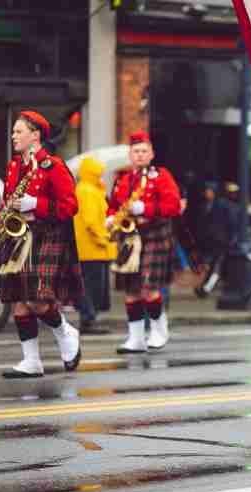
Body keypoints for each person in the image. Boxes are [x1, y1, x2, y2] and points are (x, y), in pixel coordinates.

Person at [0, 110, 83, 378]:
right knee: (18, 300)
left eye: (19, 131)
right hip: (18, 235)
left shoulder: (54, 166)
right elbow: (8, 200)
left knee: (37, 299)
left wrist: (36, 204)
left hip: (46, 234)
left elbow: (71, 206)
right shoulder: (15, 166)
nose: (14, 136)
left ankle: (65, 331)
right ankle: (31, 361)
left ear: (35, 135)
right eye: (14, 131)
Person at [107, 131, 181, 354]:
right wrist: (110, 217)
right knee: (131, 289)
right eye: (135, 151)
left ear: (151, 154)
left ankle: (159, 330)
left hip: (155, 235)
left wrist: (145, 209)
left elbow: (174, 206)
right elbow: (113, 204)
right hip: (130, 237)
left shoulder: (161, 176)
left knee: (149, 287)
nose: (139, 155)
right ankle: (135, 338)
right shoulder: (123, 179)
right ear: (130, 154)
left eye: (143, 151)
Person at [73, 157, 117, 334]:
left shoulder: (88, 189)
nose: (101, 176)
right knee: (92, 287)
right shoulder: (87, 191)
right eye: (98, 173)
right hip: (92, 248)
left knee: (89, 286)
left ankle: (88, 319)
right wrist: (103, 238)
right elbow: (91, 221)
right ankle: (88, 320)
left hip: (90, 249)